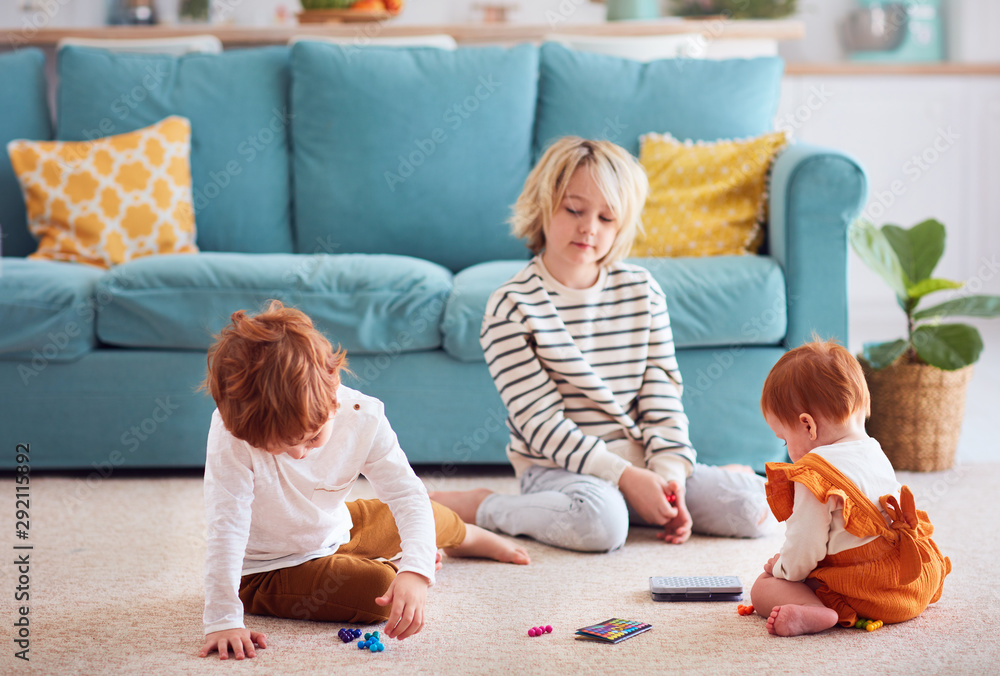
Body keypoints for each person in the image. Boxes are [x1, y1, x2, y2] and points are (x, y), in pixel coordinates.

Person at [431, 136, 774, 553]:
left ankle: (638, 502)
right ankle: (487, 505)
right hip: (559, 467)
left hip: (643, 461)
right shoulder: (512, 305)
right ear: (543, 205)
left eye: (607, 217)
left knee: (754, 507)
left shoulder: (643, 291)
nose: (589, 227)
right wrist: (625, 477)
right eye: (574, 209)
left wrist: (670, 477)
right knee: (600, 527)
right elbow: (541, 425)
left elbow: (662, 394)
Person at [199, 301, 529, 661]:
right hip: (271, 568)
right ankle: (399, 562)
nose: (298, 455)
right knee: (382, 591)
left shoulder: (363, 415)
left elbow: (405, 494)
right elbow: (225, 527)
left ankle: (469, 537)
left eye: (310, 438)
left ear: (334, 387)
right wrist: (223, 619)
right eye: (276, 448)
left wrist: (417, 572)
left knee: (426, 513)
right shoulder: (233, 434)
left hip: (335, 527)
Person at [750, 339, 951, 636]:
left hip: (867, 590)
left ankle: (817, 612)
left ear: (808, 426)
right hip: (910, 583)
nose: (787, 449)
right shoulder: (874, 450)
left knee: (762, 589)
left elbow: (806, 543)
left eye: (784, 438)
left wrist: (782, 569)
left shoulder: (815, 471)